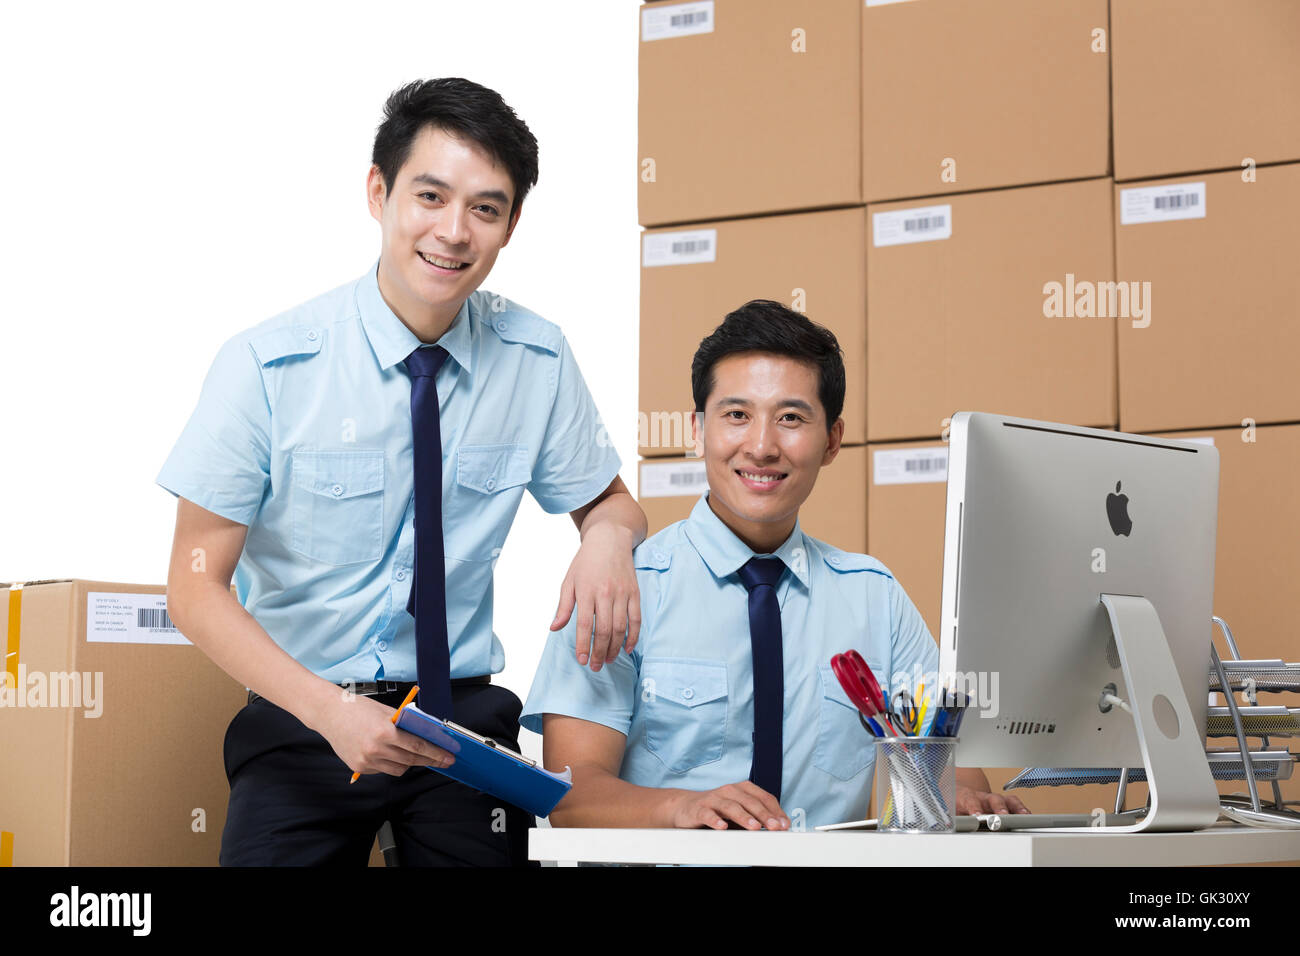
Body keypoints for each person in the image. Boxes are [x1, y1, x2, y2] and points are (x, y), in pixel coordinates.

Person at [157, 77, 645, 866]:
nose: (453, 232)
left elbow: (611, 505)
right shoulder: (267, 365)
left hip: (462, 725)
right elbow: (193, 586)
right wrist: (329, 711)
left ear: (511, 226)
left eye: (485, 209)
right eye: (430, 196)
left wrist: (608, 541)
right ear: (379, 192)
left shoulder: (538, 357)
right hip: (305, 717)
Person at [522, 299, 1028, 830]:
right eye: (736, 415)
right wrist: (680, 808)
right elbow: (570, 796)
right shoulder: (622, 589)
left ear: (832, 440)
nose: (761, 447)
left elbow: (957, 772)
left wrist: (963, 799)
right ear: (697, 431)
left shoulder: (874, 598)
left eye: (790, 418)